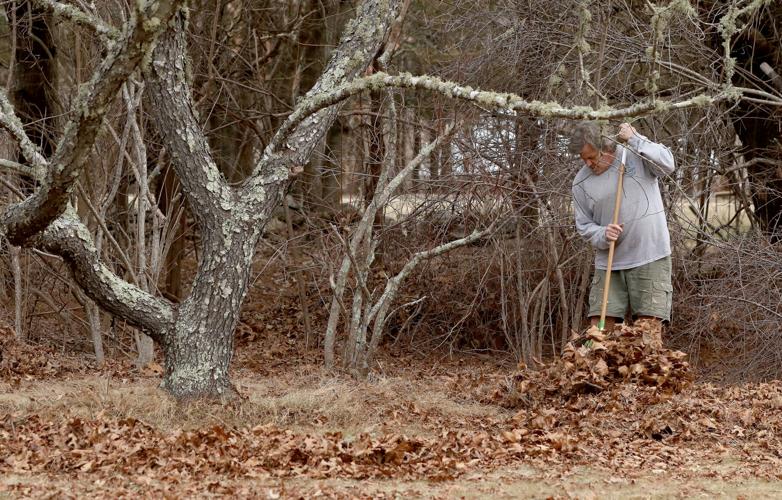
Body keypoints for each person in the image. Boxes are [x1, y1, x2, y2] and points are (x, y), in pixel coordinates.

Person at [570, 121, 675, 348]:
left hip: (650, 256)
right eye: (582, 158)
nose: (587, 163)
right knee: (599, 334)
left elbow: (668, 164)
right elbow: (584, 225)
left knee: (648, 335)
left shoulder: (634, 155)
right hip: (609, 264)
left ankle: (646, 382)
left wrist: (637, 139)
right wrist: (602, 233)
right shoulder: (581, 183)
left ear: (607, 148)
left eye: (592, 157)